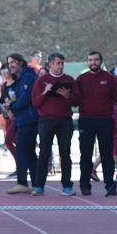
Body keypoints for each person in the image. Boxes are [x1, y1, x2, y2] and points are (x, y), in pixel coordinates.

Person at [32, 52, 79, 196]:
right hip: (46, 120)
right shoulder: (42, 80)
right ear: (50, 64)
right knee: (44, 152)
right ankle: (39, 186)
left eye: (62, 63)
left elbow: (77, 101)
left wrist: (68, 96)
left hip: (64, 120)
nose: (61, 66)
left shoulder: (69, 80)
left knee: (65, 152)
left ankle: (67, 186)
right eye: (58, 63)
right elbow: (35, 102)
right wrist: (45, 93)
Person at [76, 51, 117, 197]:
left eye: (96, 60)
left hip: (105, 120)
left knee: (107, 154)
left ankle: (110, 185)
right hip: (86, 121)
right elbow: (75, 99)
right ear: (87, 62)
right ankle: (85, 185)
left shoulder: (109, 78)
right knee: (85, 154)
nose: (93, 62)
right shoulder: (81, 79)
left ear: (101, 61)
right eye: (90, 60)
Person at [6, 53, 39, 194]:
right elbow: (15, 97)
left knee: (21, 149)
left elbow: (26, 98)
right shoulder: (19, 78)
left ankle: (22, 182)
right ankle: (37, 183)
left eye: (13, 62)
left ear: (21, 62)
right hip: (22, 119)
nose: (11, 65)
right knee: (29, 151)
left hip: (30, 119)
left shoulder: (28, 77)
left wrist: (12, 109)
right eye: (9, 63)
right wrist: (10, 105)